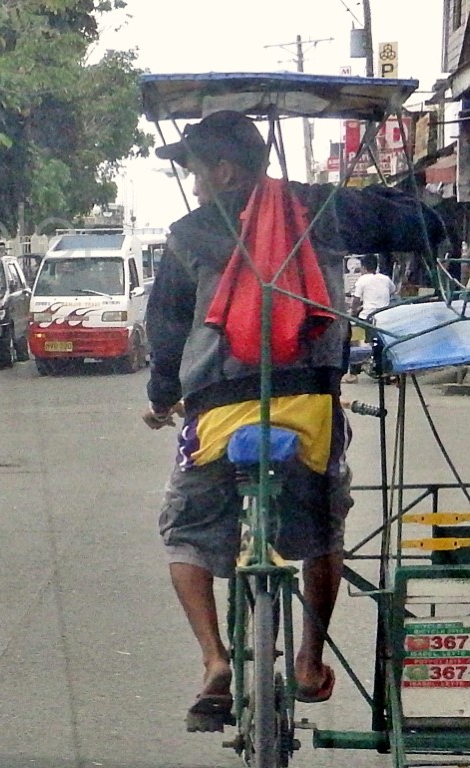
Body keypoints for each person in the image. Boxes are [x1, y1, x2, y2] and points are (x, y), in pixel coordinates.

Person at [141, 110, 444, 732]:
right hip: (311, 414)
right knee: (325, 529)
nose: (194, 185)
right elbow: (417, 225)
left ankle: (214, 660)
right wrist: (416, 207)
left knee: (184, 530)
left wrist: (163, 395)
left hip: (217, 417)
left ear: (224, 171)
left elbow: (165, 332)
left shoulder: (188, 234)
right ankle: (308, 660)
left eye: (196, 172)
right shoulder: (320, 209)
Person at [344, 256, 397, 382]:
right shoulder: (385, 279)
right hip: (385, 317)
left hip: (368, 317)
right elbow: (392, 291)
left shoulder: (362, 279)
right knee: (381, 343)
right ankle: (385, 369)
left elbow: (356, 301)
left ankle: (353, 372)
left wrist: (353, 312)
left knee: (354, 339)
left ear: (363, 267)